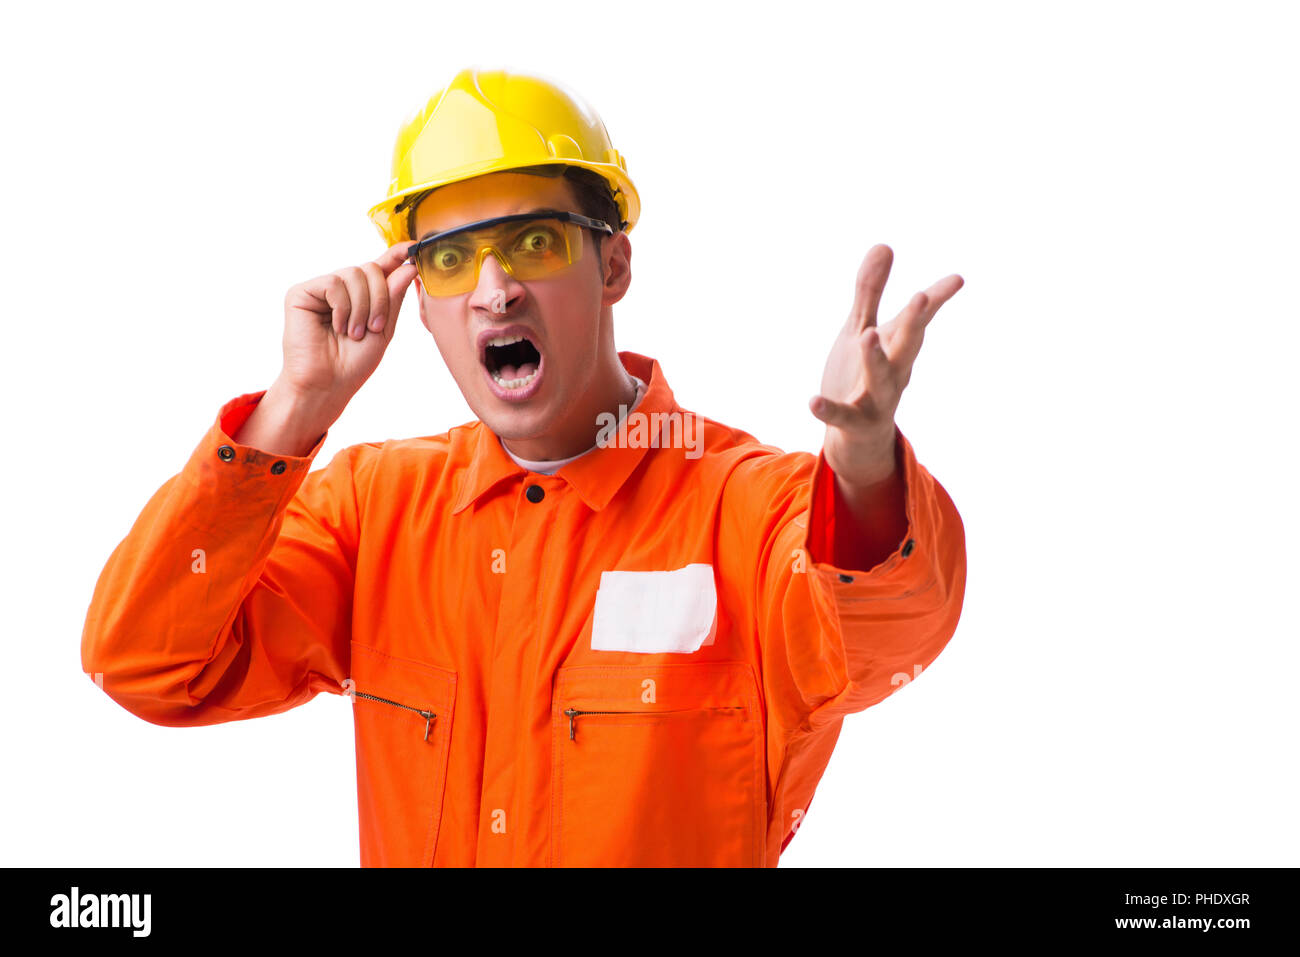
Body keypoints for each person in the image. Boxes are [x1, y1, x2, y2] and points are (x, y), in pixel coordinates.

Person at [81, 67, 968, 867]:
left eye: (534, 242)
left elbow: (883, 641)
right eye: (451, 258)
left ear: (612, 262)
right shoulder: (371, 509)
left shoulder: (747, 504)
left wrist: (860, 469)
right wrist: (291, 411)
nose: (494, 287)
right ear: (418, 302)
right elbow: (146, 662)